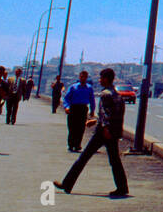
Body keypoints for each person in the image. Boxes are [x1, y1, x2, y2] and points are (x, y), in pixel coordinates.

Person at [54, 68, 128, 197]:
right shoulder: (117, 94)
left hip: (103, 132)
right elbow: (117, 114)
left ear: (105, 79)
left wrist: (104, 128)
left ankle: (67, 184)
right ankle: (122, 187)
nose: (99, 80)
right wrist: (98, 122)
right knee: (115, 161)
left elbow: (105, 114)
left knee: (83, 158)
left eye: (101, 77)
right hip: (113, 132)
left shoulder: (105, 94)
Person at [62, 71, 95, 152]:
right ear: (79, 77)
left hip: (83, 109)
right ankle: (71, 144)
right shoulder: (73, 87)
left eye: (85, 77)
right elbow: (66, 98)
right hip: (73, 108)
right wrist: (66, 107)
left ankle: (77, 145)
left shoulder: (89, 88)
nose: (83, 78)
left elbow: (92, 100)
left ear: (87, 77)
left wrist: (92, 110)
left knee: (80, 128)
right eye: (81, 76)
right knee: (72, 127)